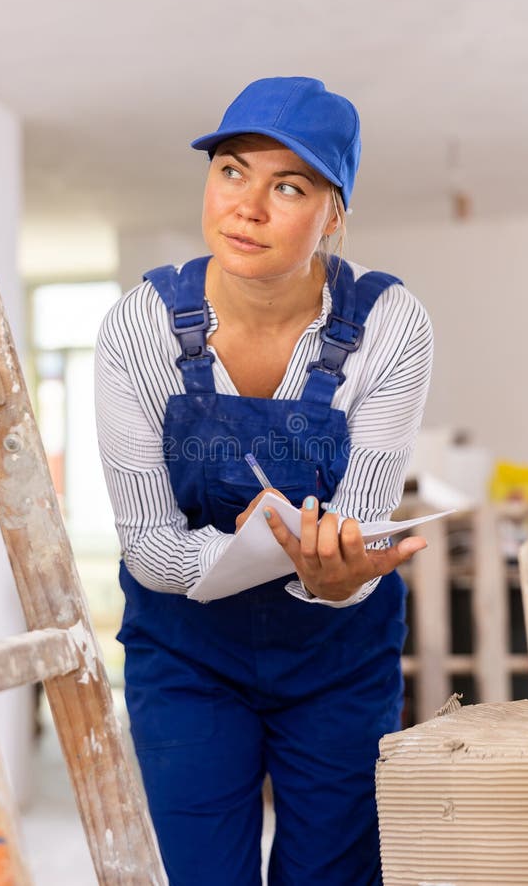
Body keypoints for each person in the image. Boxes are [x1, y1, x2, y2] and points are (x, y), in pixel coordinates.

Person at [95, 76, 433, 886]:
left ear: (333, 212)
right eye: (231, 171)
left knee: (334, 874)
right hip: (186, 656)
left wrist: (334, 578)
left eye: (289, 186)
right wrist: (254, 551)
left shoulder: (389, 327)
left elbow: (358, 522)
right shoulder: (137, 328)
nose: (247, 207)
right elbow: (147, 546)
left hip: (339, 659)